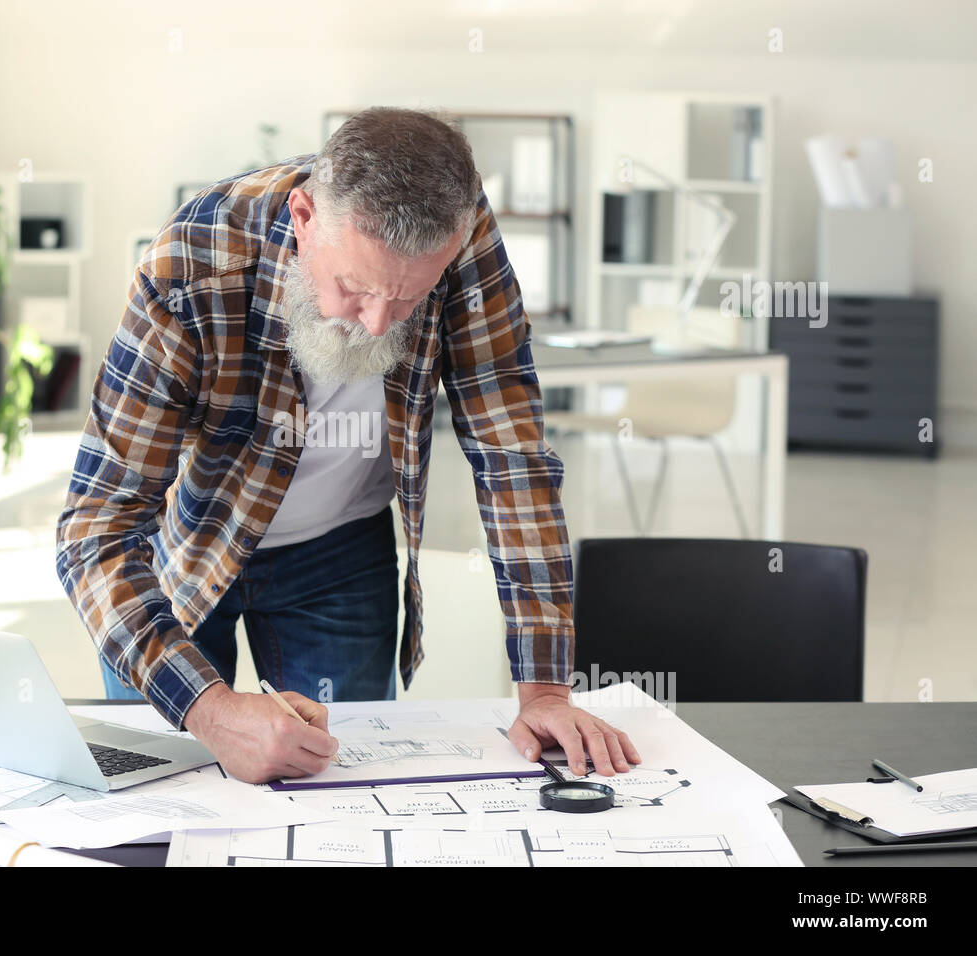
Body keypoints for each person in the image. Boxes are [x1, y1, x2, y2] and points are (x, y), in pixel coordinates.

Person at [56, 107, 640, 784]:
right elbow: (96, 528)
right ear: (303, 217)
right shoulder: (190, 259)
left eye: (408, 300)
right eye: (354, 289)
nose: (376, 324)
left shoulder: (460, 230)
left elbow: (511, 455)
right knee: (161, 795)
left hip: (340, 558)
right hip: (182, 555)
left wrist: (544, 694)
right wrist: (210, 710)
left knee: (341, 795)